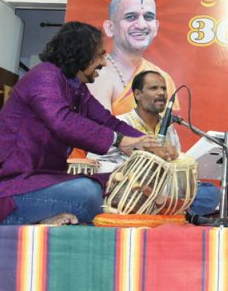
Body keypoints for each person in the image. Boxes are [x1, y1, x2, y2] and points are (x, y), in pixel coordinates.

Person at [0, 22, 162, 225]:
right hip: (12, 187)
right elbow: (62, 121)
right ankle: (29, 220)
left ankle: (44, 219)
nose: (104, 62)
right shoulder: (43, 76)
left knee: (117, 184)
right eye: (100, 55)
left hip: (44, 180)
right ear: (80, 54)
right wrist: (119, 141)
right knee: (87, 192)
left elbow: (108, 121)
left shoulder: (77, 89)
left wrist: (150, 144)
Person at [89, 70, 221, 216]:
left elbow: (174, 165)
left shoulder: (169, 129)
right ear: (138, 94)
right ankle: (167, 207)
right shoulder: (121, 123)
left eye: (163, 88)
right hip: (133, 189)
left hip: (165, 188)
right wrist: (131, 174)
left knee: (211, 193)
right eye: (154, 88)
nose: (161, 93)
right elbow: (95, 162)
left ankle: (161, 204)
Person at [88, 0, 178, 115]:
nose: (141, 25)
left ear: (156, 27)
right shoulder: (97, 74)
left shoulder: (163, 78)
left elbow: (168, 131)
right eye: (130, 17)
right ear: (110, 27)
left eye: (149, 17)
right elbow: (100, 130)